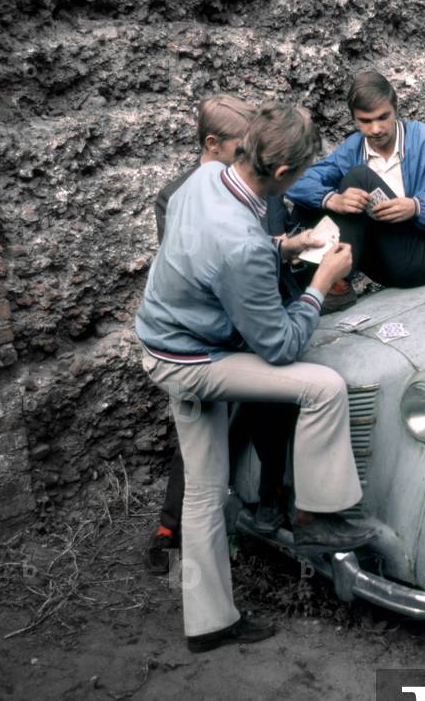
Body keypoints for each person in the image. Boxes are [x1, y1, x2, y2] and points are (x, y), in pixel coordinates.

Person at [136, 102, 373, 653]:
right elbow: (282, 346)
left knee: (200, 492)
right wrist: (323, 281)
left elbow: (220, 246)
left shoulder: (205, 176)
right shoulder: (240, 245)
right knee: (322, 386)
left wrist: (289, 244)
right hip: (192, 362)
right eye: (305, 172)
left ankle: (209, 622)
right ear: (284, 174)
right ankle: (315, 514)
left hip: (163, 343)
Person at [144, 95, 296, 576]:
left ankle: (272, 500)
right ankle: (172, 531)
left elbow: (263, 247)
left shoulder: (258, 177)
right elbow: (204, 268)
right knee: (202, 435)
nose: (251, 156)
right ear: (213, 145)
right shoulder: (178, 194)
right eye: (241, 147)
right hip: (209, 340)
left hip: (258, 317)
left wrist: (290, 251)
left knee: (276, 396)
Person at [286, 70, 425, 310]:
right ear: (354, 119)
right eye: (365, 121)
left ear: (395, 109)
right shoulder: (353, 148)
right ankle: (330, 285)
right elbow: (296, 181)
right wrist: (332, 200)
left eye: (383, 117)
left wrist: (416, 207)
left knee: (358, 177)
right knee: (312, 202)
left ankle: (325, 283)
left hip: (420, 255)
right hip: (377, 257)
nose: (375, 129)